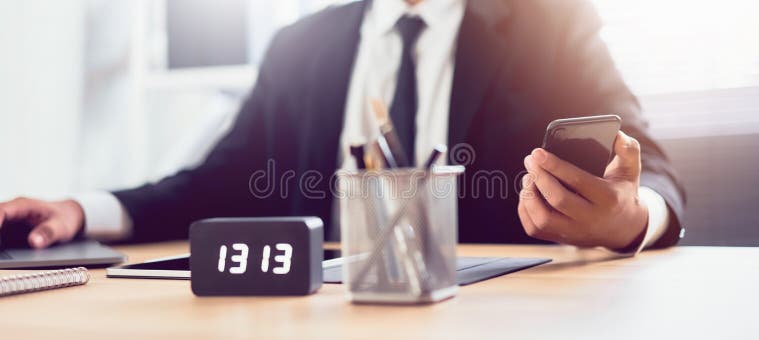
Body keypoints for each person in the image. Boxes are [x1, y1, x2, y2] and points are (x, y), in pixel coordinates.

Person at [0, 0, 685, 254]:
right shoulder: (300, 47)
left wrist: (627, 220)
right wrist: (78, 209)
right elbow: (213, 186)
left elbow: (648, 167)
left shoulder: (549, 20)